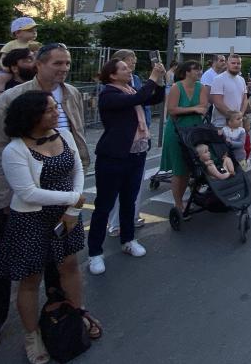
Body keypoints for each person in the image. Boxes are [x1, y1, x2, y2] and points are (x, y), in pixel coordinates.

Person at [0, 43, 90, 356]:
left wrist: (72, 202)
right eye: (57, 63)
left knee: (63, 265)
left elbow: (76, 139)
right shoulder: (14, 98)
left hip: (65, 195)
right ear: (38, 64)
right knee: (11, 269)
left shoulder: (71, 94)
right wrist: (4, 203)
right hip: (24, 199)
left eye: (67, 63)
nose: (63, 69)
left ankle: (65, 319)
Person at [87, 58, 165, 276]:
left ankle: (128, 240)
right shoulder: (109, 94)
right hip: (113, 156)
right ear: (112, 75)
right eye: (123, 68)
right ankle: (95, 252)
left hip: (136, 153)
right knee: (104, 205)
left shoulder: (129, 89)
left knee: (129, 201)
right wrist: (152, 78)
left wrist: (160, 83)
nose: (128, 70)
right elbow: (140, 98)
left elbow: (152, 99)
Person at [105, 50, 151, 238]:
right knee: (118, 184)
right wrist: (153, 79)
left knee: (136, 183)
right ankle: (114, 223)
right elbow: (135, 100)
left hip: (140, 136)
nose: (132, 65)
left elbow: (146, 100)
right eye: (128, 62)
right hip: (122, 140)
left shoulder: (137, 80)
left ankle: (132, 217)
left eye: (133, 61)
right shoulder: (110, 90)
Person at [160, 60, 206, 221]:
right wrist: (193, 109)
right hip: (177, 131)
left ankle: (183, 200)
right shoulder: (176, 87)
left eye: (200, 69)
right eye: (196, 69)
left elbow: (203, 107)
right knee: (178, 170)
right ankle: (178, 203)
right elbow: (172, 110)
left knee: (188, 168)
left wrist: (190, 110)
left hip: (193, 131)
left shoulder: (201, 87)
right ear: (187, 72)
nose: (199, 72)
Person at [209, 54, 247, 129]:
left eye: (238, 63)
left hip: (238, 124)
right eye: (233, 63)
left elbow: (245, 99)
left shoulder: (242, 80)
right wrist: (233, 116)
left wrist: (240, 115)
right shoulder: (218, 79)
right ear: (227, 64)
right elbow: (218, 103)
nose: (236, 65)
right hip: (221, 125)